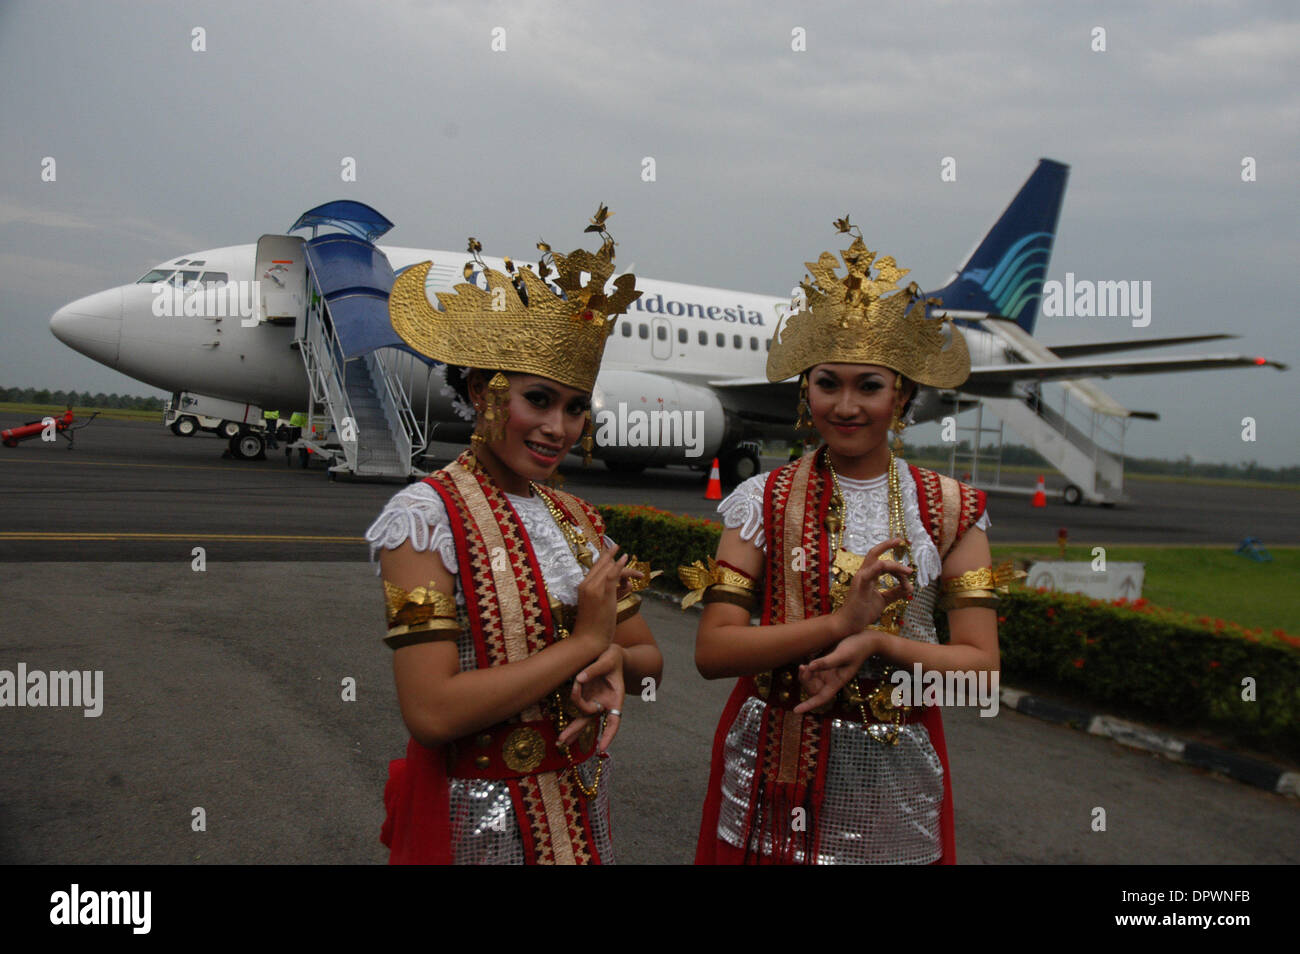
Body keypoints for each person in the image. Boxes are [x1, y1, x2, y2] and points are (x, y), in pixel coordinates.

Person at [686, 218, 1005, 864]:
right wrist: (838, 622)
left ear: (903, 396)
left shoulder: (951, 511)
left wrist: (881, 640)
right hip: (770, 763)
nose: (846, 406)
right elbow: (715, 651)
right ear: (805, 390)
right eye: (827, 382)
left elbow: (982, 673)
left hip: (891, 777)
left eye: (870, 386)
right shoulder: (761, 500)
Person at [367, 209, 663, 864]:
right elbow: (433, 711)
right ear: (481, 390)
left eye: (576, 406)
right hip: (474, 816)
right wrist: (586, 643)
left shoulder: (582, 521)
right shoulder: (424, 518)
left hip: (580, 811)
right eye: (539, 400)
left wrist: (615, 662)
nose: (559, 427)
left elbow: (652, 664)